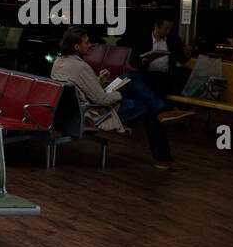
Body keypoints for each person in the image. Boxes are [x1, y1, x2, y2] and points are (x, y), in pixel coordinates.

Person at [51, 27, 192, 171]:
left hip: (77, 111)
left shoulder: (59, 63)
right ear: (76, 47)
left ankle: (162, 111)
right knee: (147, 104)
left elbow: (84, 88)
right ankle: (163, 154)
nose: (90, 45)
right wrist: (120, 95)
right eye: (86, 43)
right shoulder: (81, 67)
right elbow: (102, 100)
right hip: (98, 112)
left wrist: (99, 80)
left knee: (131, 77)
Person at [130, 15, 194, 99]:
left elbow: (181, 60)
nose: (168, 32)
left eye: (170, 29)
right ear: (156, 26)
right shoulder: (142, 39)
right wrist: (144, 61)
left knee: (184, 74)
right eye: (165, 28)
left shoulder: (173, 39)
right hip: (147, 75)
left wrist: (187, 53)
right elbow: (132, 61)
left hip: (166, 75)